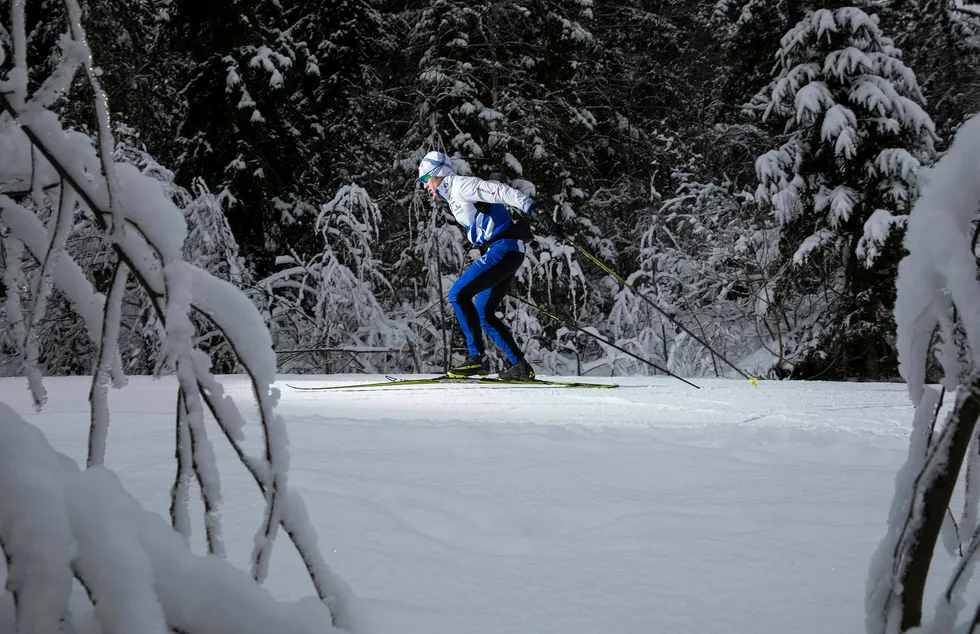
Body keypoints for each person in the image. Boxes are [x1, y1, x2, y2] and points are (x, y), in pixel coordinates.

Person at [417, 150, 557, 380]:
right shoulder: (453, 195)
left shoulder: (462, 185)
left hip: (505, 249)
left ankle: (475, 360)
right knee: (483, 313)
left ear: (437, 174)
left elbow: (500, 191)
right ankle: (520, 367)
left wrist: (536, 210)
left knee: (458, 294)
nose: (424, 187)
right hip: (504, 250)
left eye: (425, 179)